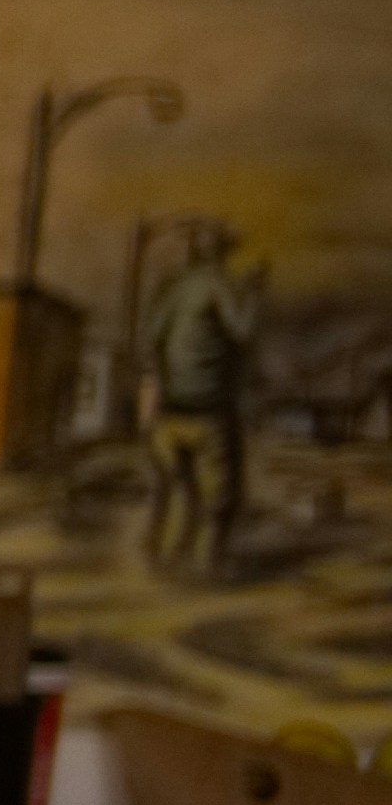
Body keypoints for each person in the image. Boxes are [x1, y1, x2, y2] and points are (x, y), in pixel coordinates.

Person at [142, 242, 261, 571]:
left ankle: (162, 558)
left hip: (168, 412)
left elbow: (152, 336)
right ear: (221, 254)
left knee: (174, 491)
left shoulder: (174, 287)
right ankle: (205, 564)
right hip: (206, 412)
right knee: (217, 494)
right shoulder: (217, 283)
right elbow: (243, 328)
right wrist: (252, 291)